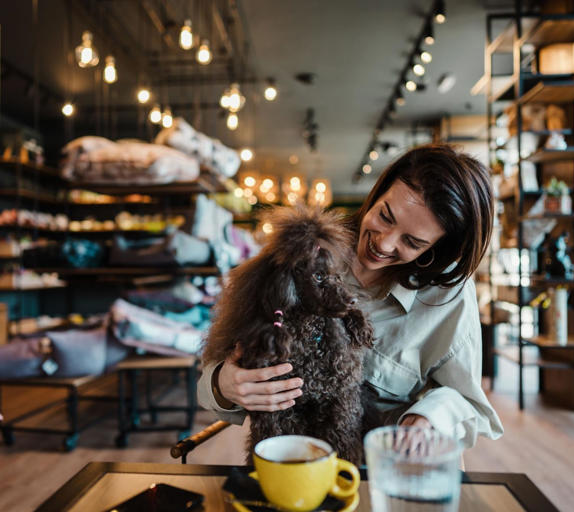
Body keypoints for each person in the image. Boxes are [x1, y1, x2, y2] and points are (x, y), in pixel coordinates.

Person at [197, 144, 504, 448]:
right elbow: (209, 380)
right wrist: (224, 384)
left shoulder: (447, 299)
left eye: (412, 242)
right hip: (284, 458)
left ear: (436, 250)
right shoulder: (306, 252)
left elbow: (468, 401)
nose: (384, 244)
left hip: (378, 468)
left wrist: (428, 417)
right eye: (385, 216)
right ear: (378, 192)